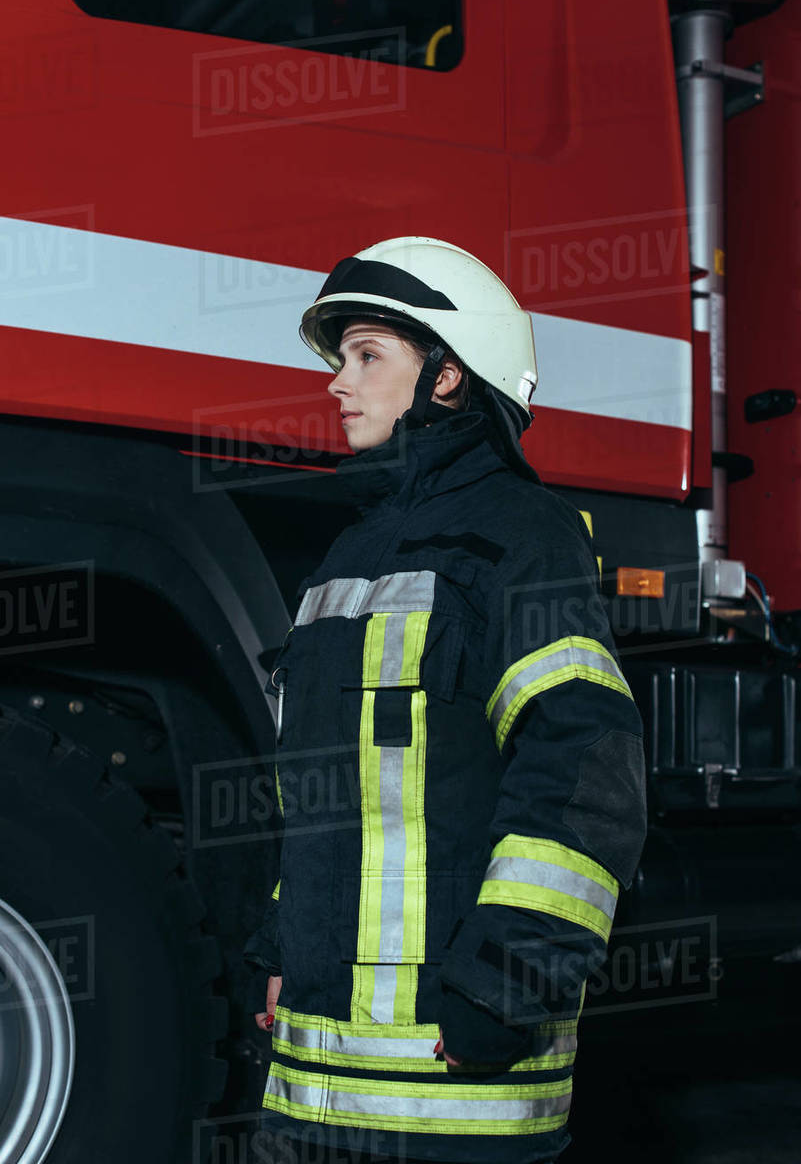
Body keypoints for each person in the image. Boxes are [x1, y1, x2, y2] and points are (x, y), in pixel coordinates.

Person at [243, 236, 647, 1164]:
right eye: (340, 358)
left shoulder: (523, 539)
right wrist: (278, 949)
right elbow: (322, 797)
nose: (338, 382)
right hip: (311, 1095)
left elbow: (583, 775)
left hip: (455, 1096)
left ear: (449, 378)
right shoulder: (348, 557)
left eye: (367, 355)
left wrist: (504, 988)